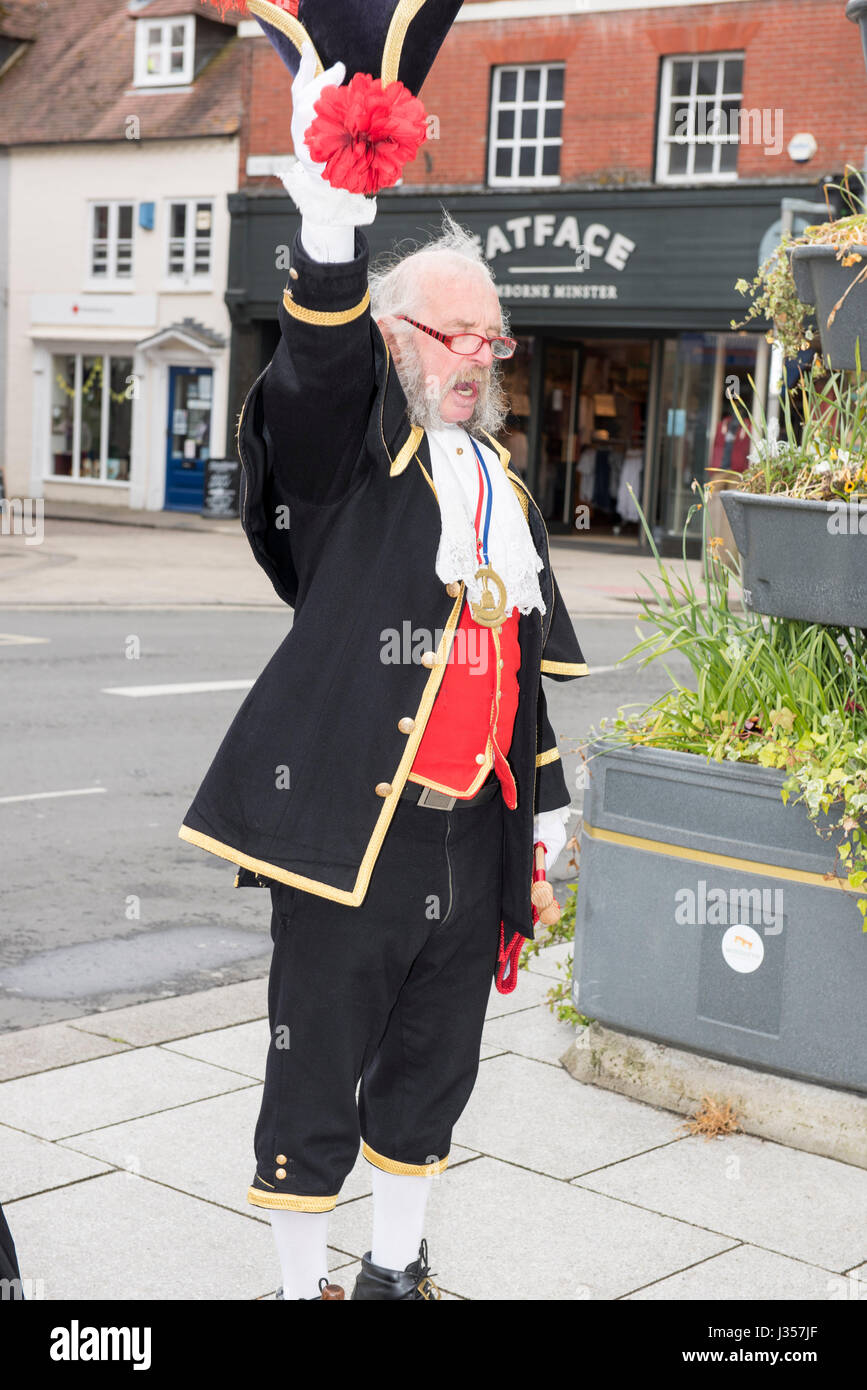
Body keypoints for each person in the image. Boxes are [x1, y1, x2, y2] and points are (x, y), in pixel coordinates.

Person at [179, 35, 588, 1302]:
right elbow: (312, 367)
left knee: (433, 1064)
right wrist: (332, 229)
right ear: (400, 342)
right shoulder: (352, 469)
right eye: (453, 335)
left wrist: (553, 812)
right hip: (354, 835)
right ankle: (301, 1283)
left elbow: (518, 668)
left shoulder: (503, 490)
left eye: (494, 340)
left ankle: (394, 1270)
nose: (476, 356)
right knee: (317, 1073)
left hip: (474, 838)